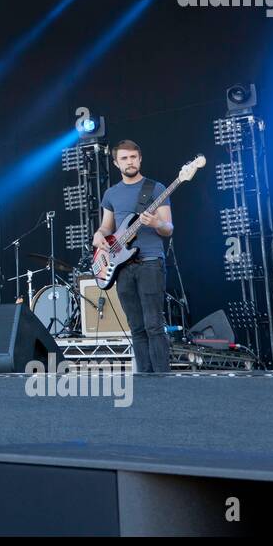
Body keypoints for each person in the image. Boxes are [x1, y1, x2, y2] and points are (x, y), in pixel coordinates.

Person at [93, 140, 173, 373]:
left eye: (133, 157)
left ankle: (164, 381)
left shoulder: (156, 188)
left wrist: (157, 222)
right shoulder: (111, 193)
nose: (130, 162)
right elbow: (107, 227)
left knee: (154, 324)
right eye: (125, 158)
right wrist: (99, 235)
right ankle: (145, 380)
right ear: (117, 163)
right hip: (122, 265)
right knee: (136, 326)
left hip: (150, 262)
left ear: (140, 159)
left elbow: (169, 228)